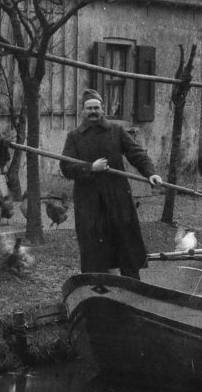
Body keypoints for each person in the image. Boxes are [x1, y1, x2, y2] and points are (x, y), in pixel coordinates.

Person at [59, 88, 164, 278]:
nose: (93, 112)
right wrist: (90, 167)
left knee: (125, 242)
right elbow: (66, 166)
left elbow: (136, 153)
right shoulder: (74, 136)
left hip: (117, 197)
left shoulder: (116, 131)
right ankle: (97, 289)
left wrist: (151, 173)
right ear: (83, 111)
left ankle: (132, 287)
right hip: (89, 201)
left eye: (96, 108)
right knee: (93, 247)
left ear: (103, 110)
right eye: (89, 108)